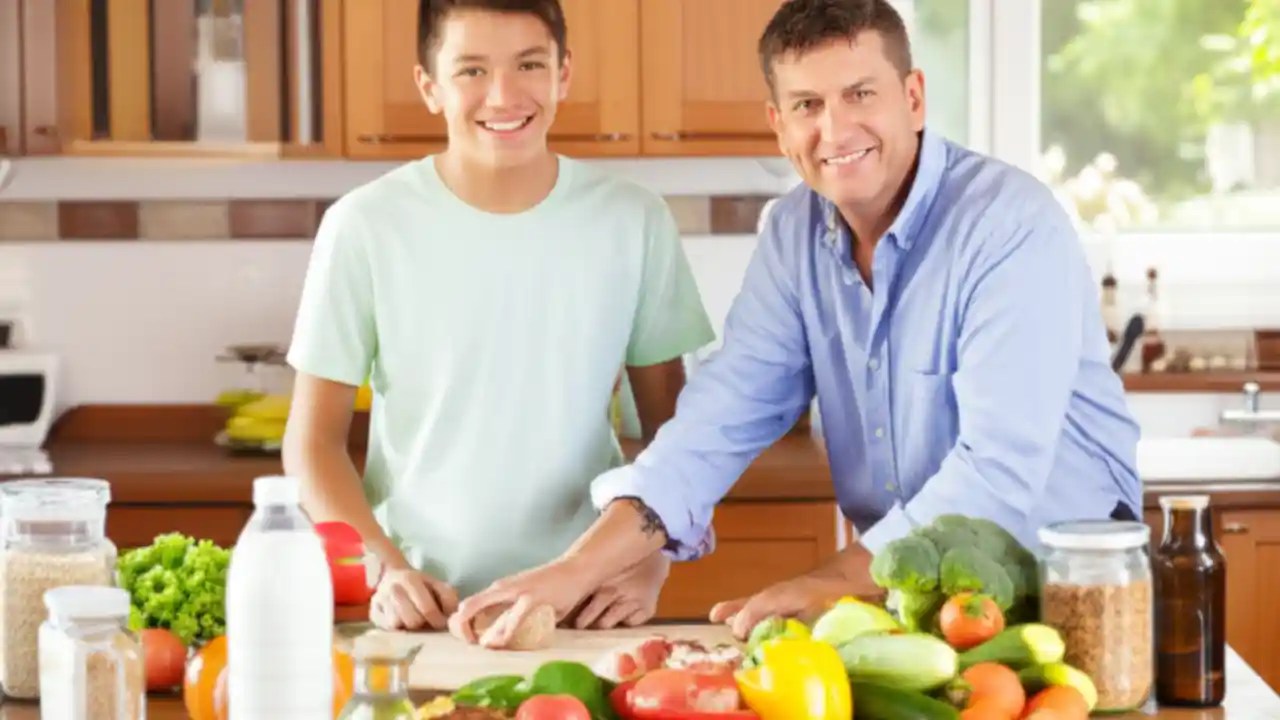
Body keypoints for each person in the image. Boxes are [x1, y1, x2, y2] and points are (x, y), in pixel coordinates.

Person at [449, 0, 1142, 647]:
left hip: (1071, 592)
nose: (835, 130)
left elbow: (997, 468)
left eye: (860, 94)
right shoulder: (793, 233)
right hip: (912, 597)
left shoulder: (1007, 223)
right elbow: (720, 417)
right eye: (807, 104)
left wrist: (833, 582)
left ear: (914, 98)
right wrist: (574, 569)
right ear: (778, 125)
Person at [282, 0, 715, 635]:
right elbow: (312, 442)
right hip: (420, 606)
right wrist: (383, 567)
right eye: (471, 71)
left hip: (582, 607)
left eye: (529, 64)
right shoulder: (364, 225)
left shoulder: (634, 220)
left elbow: (675, 438)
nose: (504, 94)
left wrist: (647, 563)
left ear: (564, 74)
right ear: (429, 86)